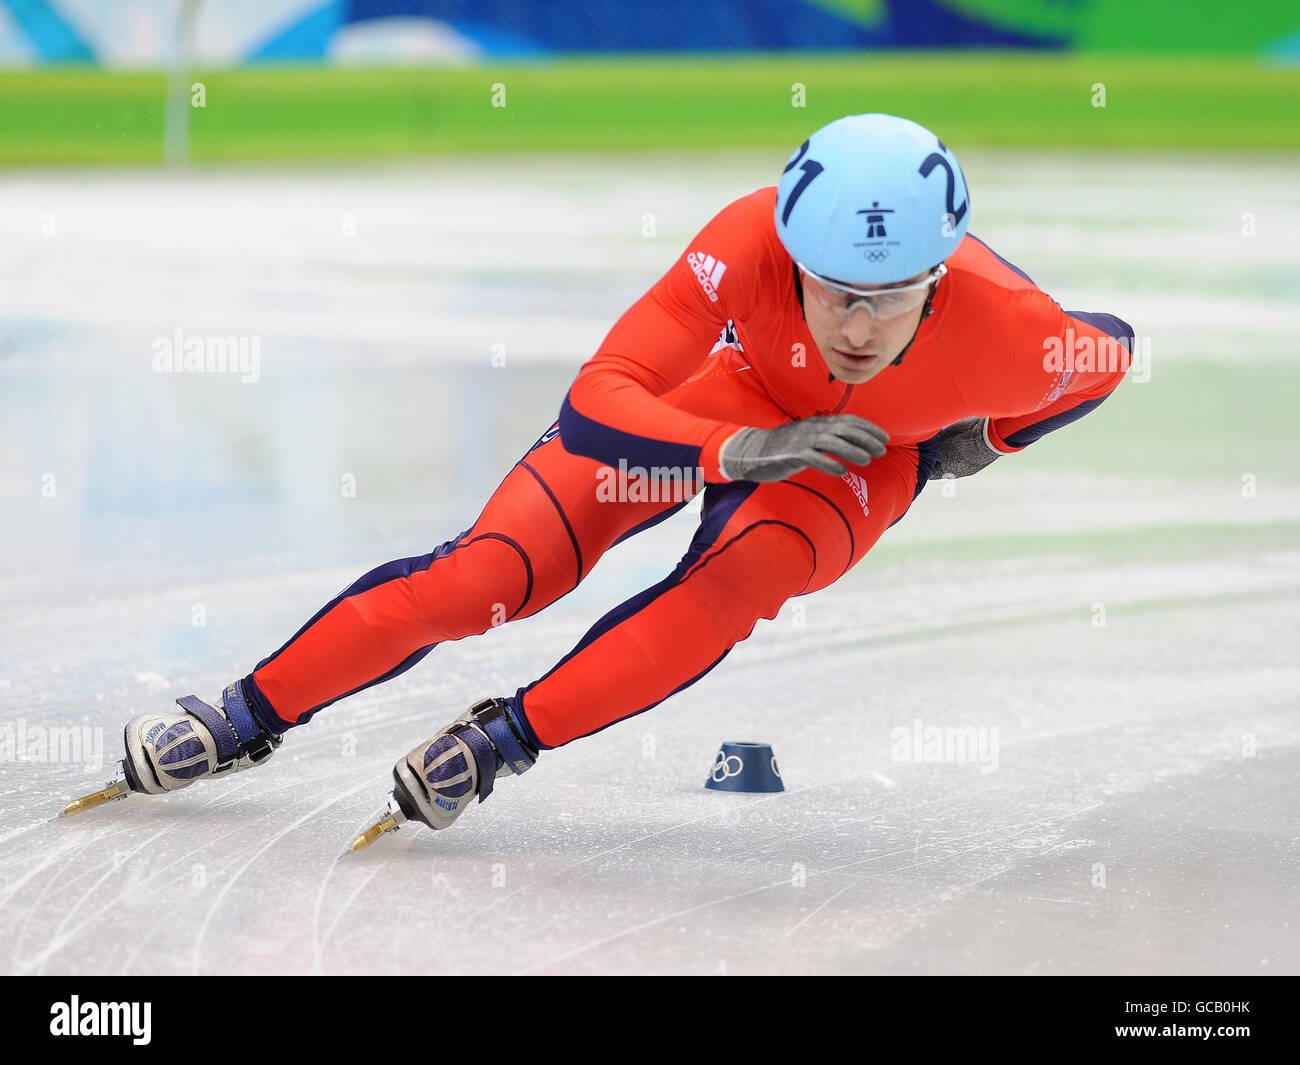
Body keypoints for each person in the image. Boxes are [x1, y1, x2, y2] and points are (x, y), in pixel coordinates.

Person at [69, 113, 1132, 849]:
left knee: (742, 575)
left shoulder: (1017, 333)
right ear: (789, 255)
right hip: (727, 404)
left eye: (890, 299)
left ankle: (504, 741)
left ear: (939, 276)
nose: (856, 328)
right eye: (830, 292)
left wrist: (988, 441)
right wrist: (730, 452)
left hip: (863, 460)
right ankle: (246, 714)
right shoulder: (744, 240)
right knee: (489, 574)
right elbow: (602, 400)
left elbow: (1109, 351)